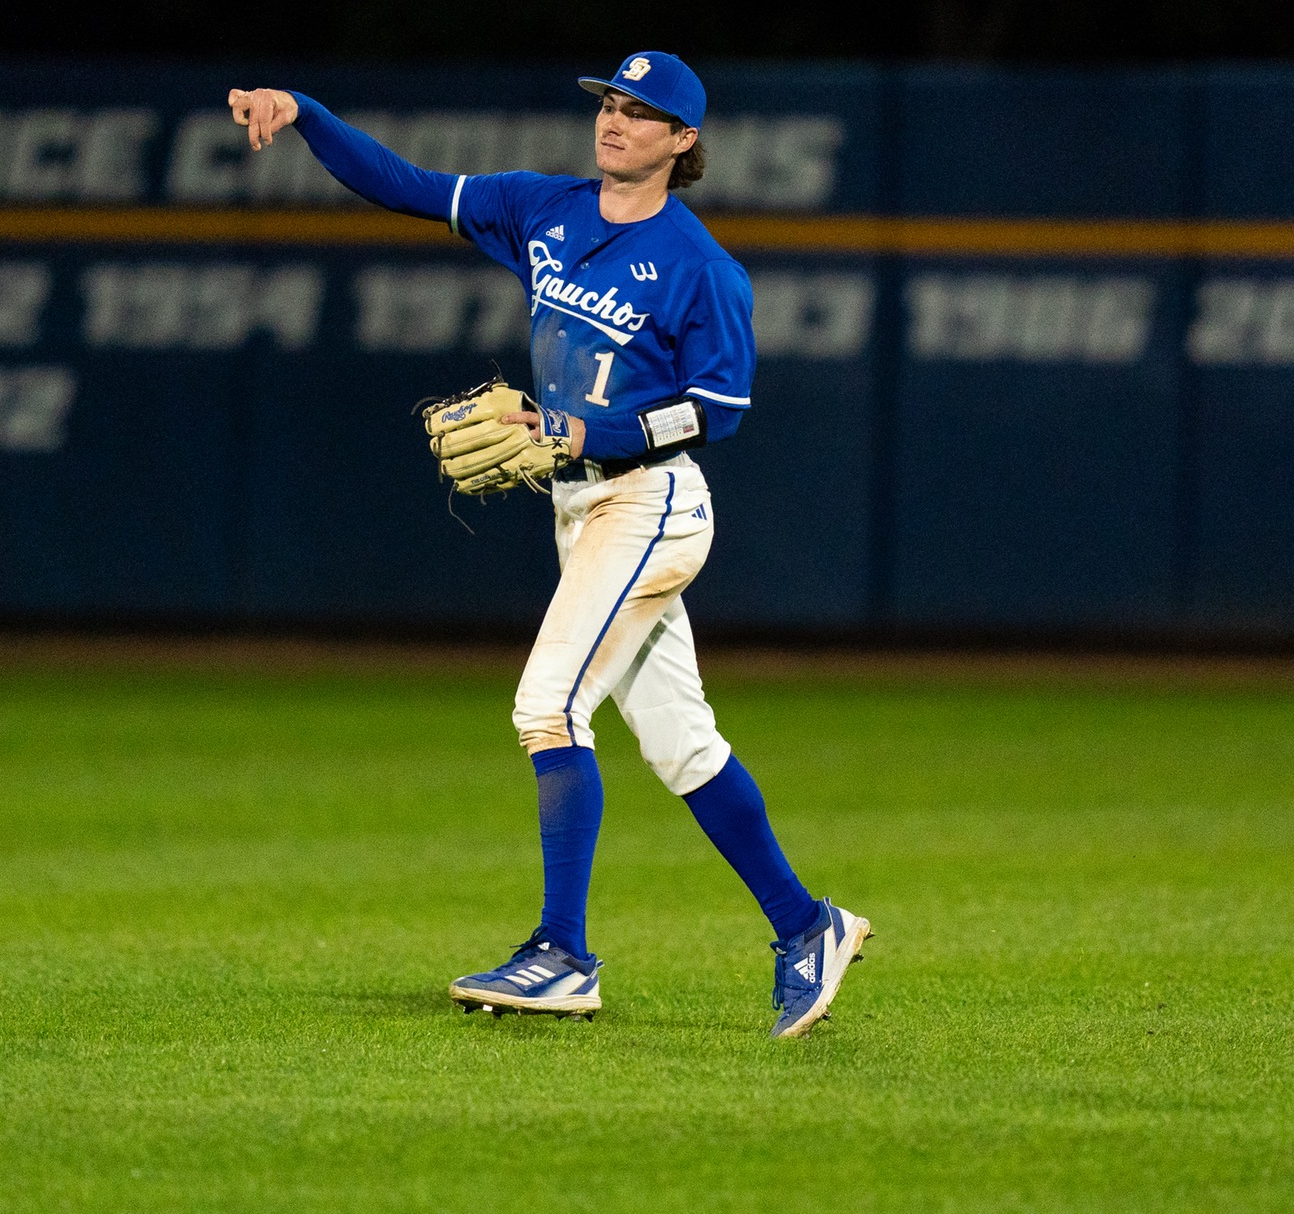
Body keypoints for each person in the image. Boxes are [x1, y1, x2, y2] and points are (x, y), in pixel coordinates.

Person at [228, 53, 872, 1038]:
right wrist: (304, 111)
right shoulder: (544, 208)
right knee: (682, 743)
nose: (614, 120)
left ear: (682, 140)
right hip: (581, 509)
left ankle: (562, 953)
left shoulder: (701, 268)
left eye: (640, 111)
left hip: (649, 503)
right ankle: (806, 925)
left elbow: (714, 411)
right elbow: (405, 185)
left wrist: (585, 432)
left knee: (548, 705)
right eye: (609, 102)